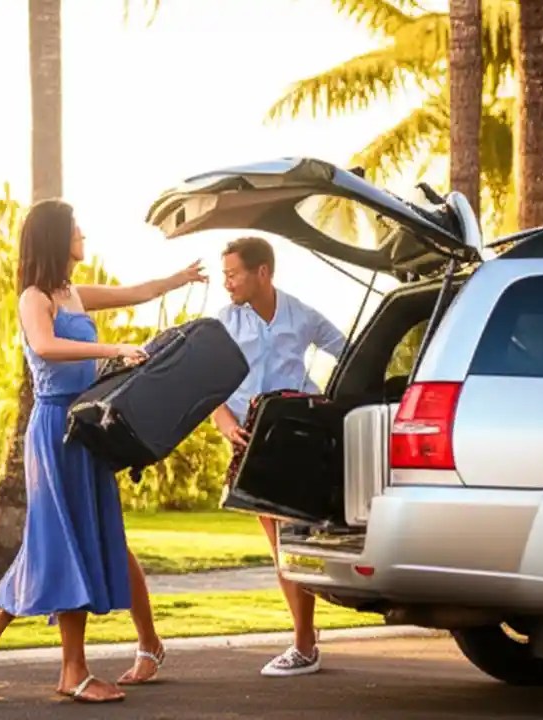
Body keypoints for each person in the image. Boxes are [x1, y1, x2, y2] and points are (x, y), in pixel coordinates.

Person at [0, 198, 206, 704]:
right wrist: (112, 350)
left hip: (85, 427)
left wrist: (179, 279)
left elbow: (136, 293)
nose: (83, 236)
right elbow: (45, 347)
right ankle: (72, 672)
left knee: (70, 537)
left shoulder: (73, 294)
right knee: (63, 541)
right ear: (55, 238)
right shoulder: (35, 298)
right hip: (55, 429)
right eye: (75, 229)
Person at [210, 235, 345, 678]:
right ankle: (305, 638)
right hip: (251, 440)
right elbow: (208, 387)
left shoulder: (300, 315)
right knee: (279, 545)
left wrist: (327, 405)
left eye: (234, 274)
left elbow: (345, 351)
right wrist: (228, 427)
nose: (226, 282)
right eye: (225, 274)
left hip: (296, 435)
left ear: (262, 272)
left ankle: (305, 644)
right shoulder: (225, 324)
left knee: (293, 541)